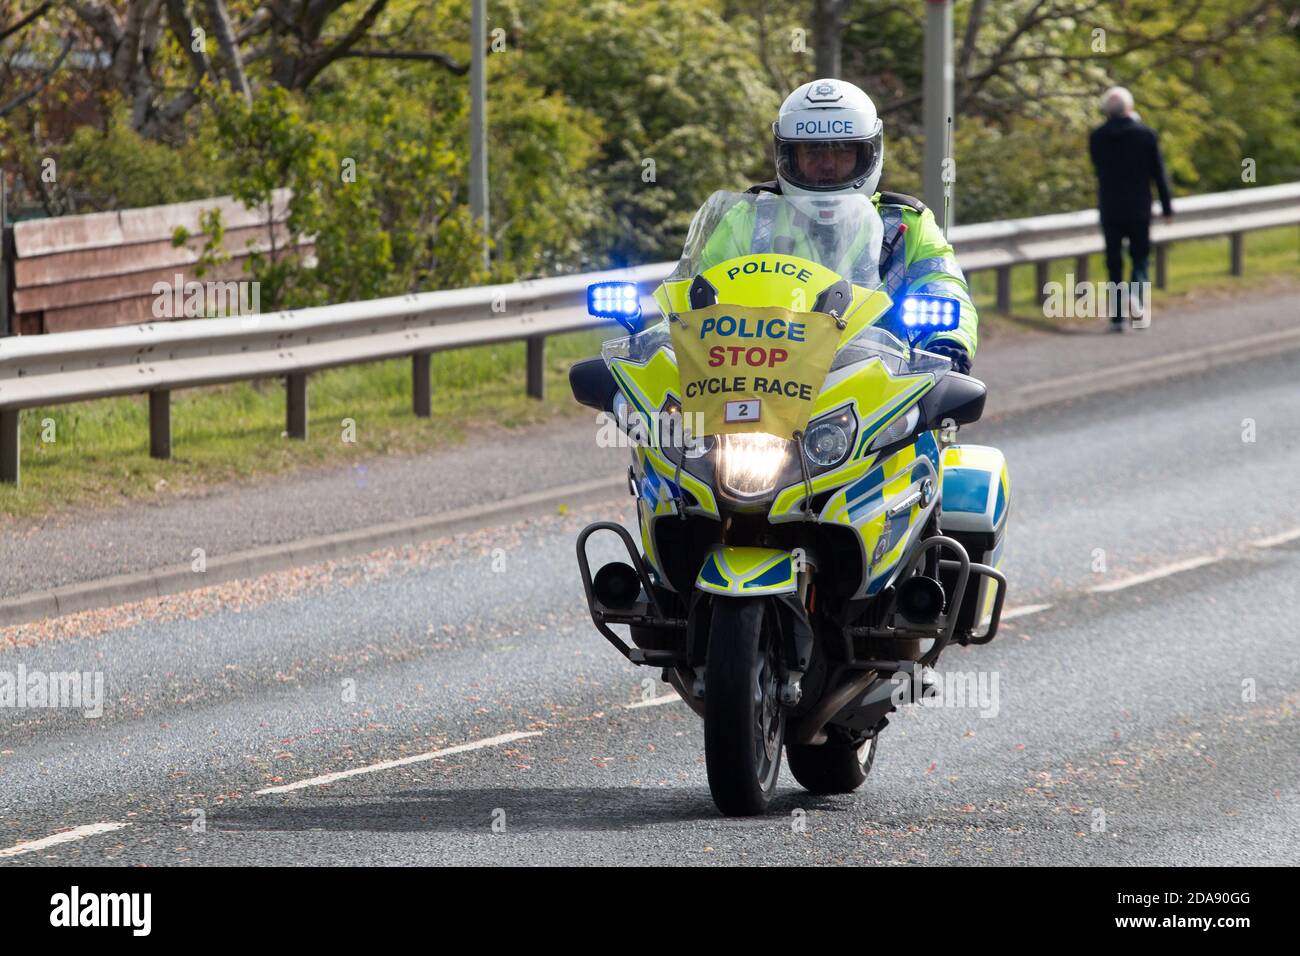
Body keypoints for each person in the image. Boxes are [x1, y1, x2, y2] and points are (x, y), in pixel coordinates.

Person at [698, 78, 978, 373]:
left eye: (843, 152)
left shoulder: (904, 224)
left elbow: (943, 286)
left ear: (870, 152)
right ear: (787, 155)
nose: (828, 165)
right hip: (762, 381)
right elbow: (699, 294)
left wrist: (949, 341)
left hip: (886, 387)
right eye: (813, 153)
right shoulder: (749, 218)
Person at [1088, 86, 1174, 330]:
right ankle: (1135, 297)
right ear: (1130, 108)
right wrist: (1167, 207)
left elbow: (1097, 166)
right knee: (1140, 257)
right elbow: (1158, 174)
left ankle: (1117, 318)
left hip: (1110, 207)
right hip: (1138, 208)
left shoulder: (1097, 137)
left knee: (1113, 261)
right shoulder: (1146, 135)